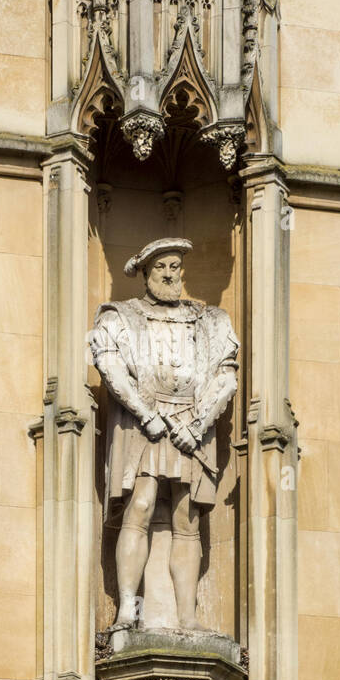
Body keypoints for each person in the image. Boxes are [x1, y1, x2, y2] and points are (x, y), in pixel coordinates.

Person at [89, 237, 238, 630]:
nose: (170, 274)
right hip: (144, 425)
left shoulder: (211, 320)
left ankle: (187, 618)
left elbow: (226, 374)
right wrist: (145, 413)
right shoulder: (119, 316)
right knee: (139, 506)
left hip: (192, 425)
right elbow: (109, 364)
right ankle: (126, 612)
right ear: (145, 273)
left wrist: (200, 423)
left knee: (187, 519)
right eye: (161, 267)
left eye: (175, 266)